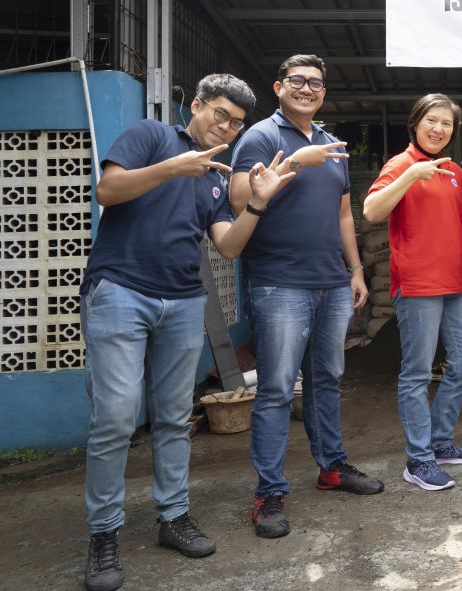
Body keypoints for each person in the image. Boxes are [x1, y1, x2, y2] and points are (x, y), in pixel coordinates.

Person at [80, 74, 292, 591]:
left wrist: (257, 204)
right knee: (114, 418)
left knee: (174, 418)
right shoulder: (151, 135)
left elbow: (229, 246)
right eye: (220, 114)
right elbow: (108, 190)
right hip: (120, 290)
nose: (227, 127)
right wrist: (175, 167)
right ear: (195, 106)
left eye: (237, 124)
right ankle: (104, 534)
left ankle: (173, 517)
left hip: (181, 301)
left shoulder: (218, 175)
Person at [230, 55, 382, 540]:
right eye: (297, 81)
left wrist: (355, 270)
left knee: (327, 378)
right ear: (278, 87)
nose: (307, 89)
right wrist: (296, 161)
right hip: (279, 283)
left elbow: (343, 215)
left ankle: (332, 467)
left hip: (332, 283)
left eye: (316, 83)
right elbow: (238, 200)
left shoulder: (331, 144)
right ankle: (268, 492)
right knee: (276, 389)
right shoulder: (260, 137)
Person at [363, 93, 462, 491]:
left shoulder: (457, 173)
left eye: (447, 123)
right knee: (416, 373)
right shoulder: (401, 164)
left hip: (459, 283)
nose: (439, 129)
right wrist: (411, 176)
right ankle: (418, 460)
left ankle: (440, 441)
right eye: (432, 120)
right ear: (415, 123)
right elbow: (371, 211)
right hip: (417, 285)